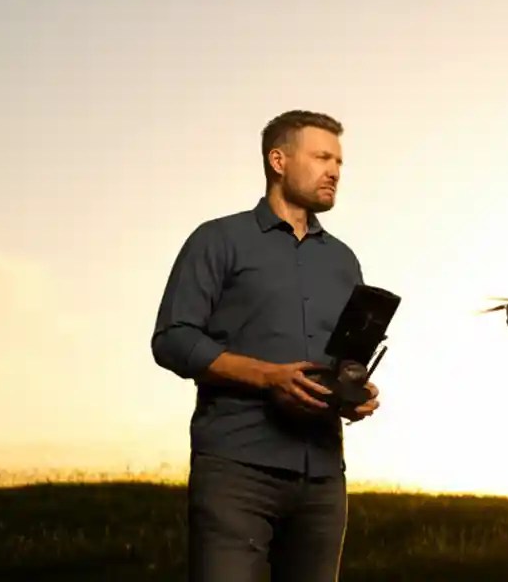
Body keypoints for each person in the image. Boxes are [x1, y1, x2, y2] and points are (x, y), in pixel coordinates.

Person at [151, 109, 380, 581]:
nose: (334, 171)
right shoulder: (217, 239)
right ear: (278, 160)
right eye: (321, 157)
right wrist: (266, 376)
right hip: (236, 470)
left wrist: (354, 391)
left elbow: (345, 359)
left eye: (339, 161)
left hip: (322, 477)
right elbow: (173, 339)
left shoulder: (344, 261)